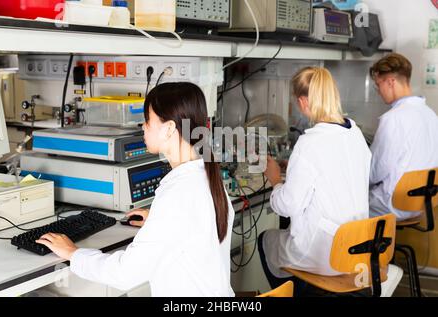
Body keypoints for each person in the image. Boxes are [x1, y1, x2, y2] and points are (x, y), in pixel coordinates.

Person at [36, 82, 235, 297]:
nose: (143, 126)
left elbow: (125, 273)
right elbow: (193, 228)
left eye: (147, 120)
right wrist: (156, 220)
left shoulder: (178, 193)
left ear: (169, 128)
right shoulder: (206, 175)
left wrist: (73, 253)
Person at [258, 67, 371, 290]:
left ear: (303, 102)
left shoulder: (309, 143)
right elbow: (339, 174)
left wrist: (275, 180)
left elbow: (288, 206)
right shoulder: (355, 133)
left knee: (266, 241)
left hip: (325, 252)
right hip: (359, 245)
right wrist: (295, 170)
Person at [369, 53, 438, 221]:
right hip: (426, 202)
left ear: (390, 82)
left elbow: (374, 172)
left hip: (395, 204)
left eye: (378, 85)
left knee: (347, 207)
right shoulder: (431, 114)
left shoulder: (392, 118)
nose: (378, 92)